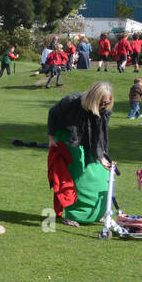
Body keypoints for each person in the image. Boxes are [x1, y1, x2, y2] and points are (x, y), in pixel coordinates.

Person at [47, 81, 114, 226]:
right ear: (93, 98)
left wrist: (101, 156)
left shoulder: (106, 110)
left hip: (88, 139)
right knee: (78, 173)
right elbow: (53, 113)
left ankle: (96, 214)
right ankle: (73, 215)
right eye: (101, 103)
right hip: (67, 136)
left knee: (100, 174)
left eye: (107, 102)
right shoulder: (71, 101)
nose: (104, 106)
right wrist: (51, 137)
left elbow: (100, 134)